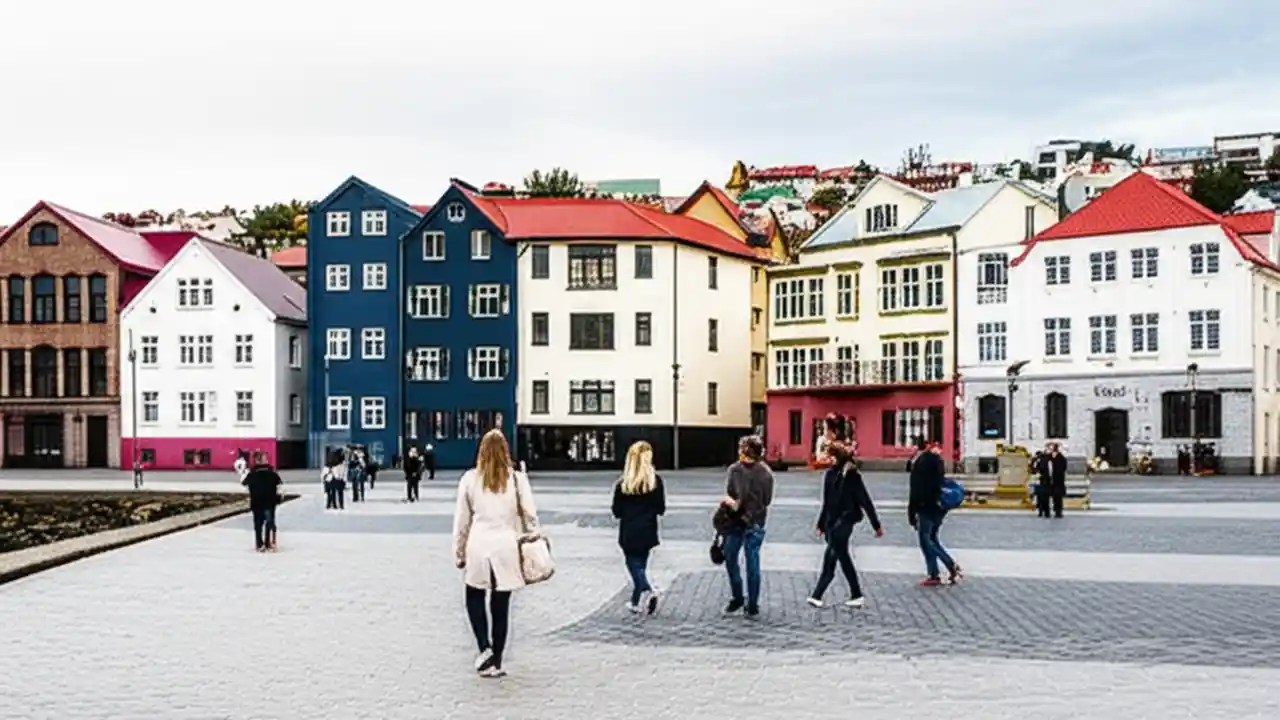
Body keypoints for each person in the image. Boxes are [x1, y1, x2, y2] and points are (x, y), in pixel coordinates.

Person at [452, 429, 539, 678]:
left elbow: (462, 521)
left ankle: (484, 647)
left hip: (478, 545)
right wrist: (533, 536)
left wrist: (459, 552)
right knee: (501, 605)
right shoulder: (516, 479)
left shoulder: (469, 479)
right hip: (506, 545)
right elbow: (530, 513)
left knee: (474, 596)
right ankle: (497, 660)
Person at [808, 420, 882, 608]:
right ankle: (855, 594)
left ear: (839, 457)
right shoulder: (830, 475)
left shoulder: (852, 475)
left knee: (834, 555)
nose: (828, 459)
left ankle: (818, 594)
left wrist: (876, 524)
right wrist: (820, 523)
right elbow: (827, 502)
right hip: (832, 522)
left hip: (846, 520)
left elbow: (865, 500)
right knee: (839, 557)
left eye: (831, 456)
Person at [720, 434, 774, 618]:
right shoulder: (766, 473)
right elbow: (767, 500)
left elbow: (730, 493)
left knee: (730, 557)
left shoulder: (734, 470)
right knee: (753, 563)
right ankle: (752, 604)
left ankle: (737, 597)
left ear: (745, 451)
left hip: (736, 520)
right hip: (757, 521)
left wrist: (732, 502)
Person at [611, 441, 666, 615]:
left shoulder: (623, 485)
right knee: (640, 564)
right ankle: (636, 602)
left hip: (629, 531)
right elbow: (661, 509)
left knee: (633, 565)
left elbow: (617, 511)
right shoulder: (655, 482)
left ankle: (648, 590)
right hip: (648, 530)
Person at [908, 439, 961, 586]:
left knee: (926, 540)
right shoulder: (937, 460)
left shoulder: (921, 462)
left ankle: (947, 566)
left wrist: (912, 513)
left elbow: (916, 489)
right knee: (932, 538)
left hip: (925, 506)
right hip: (938, 507)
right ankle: (934, 573)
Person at [243, 452, 283, 552]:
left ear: (256, 461)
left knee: (258, 524)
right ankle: (269, 543)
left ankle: (259, 544)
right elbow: (280, 486)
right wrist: (279, 497)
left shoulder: (252, 473)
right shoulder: (272, 473)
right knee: (269, 523)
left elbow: (244, 484)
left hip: (256, 501)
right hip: (270, 501)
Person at [1045, 442, 1068, 518]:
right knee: (1049, 496)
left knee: (1058, 496)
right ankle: (1048, 511)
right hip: (1049, 480)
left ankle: (1058, 511)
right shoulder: (1048, 457)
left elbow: (1064, 467)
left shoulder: (1061, 457)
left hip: (1058, 480)